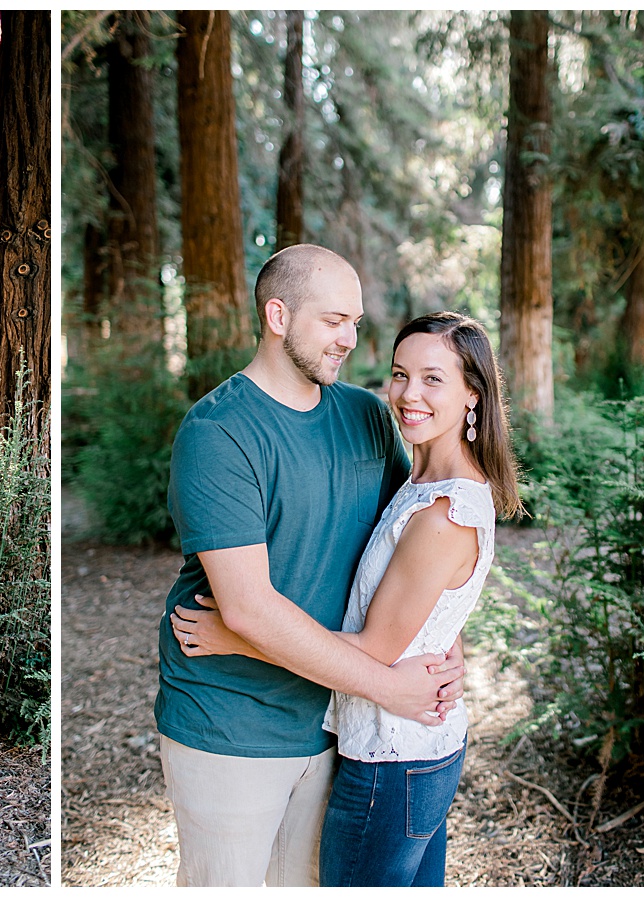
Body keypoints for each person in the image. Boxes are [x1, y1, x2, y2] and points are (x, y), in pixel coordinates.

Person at [153, 244, 466, 887]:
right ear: (277, 315)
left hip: (335, 725)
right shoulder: (220, 432)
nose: (351, 338)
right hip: (229, 721)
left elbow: (408, 549)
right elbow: (245, 609)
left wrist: (443, 645)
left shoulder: (366, 417)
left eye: (354, 321)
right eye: (333, 321)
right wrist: (388, 685)